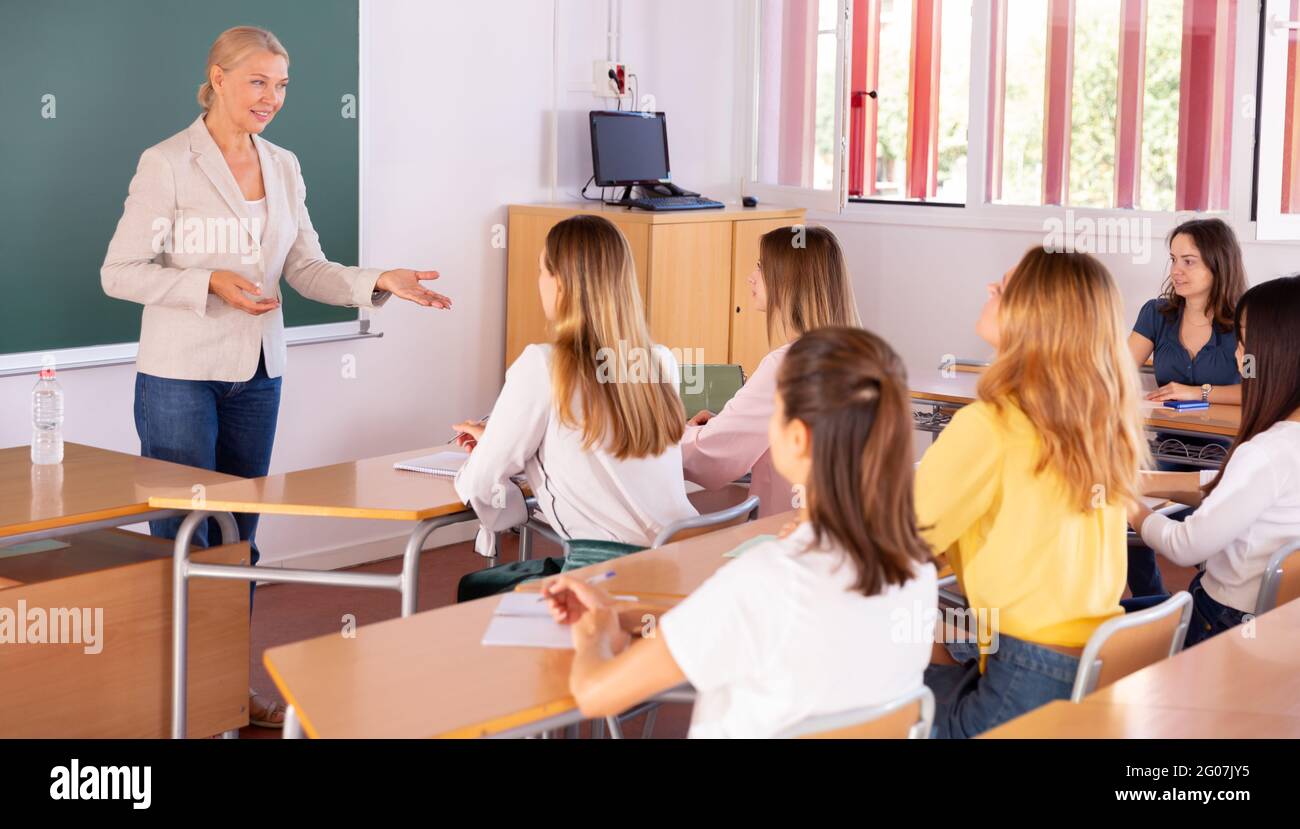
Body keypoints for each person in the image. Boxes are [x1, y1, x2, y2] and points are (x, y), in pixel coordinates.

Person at [100, 26, 451, 726]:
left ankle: (227, 688)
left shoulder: (284, 165)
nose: (272, 98)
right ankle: (177, 698)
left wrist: (376, 278)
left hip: (258, 374)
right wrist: (209, 283)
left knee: (240, 539)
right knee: (185, 537)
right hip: (179, 377)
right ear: (219, 77)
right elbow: (119, 272)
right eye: (258, 81)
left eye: (282, 85)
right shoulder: (167, 162)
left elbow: (306, 268)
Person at [540, 327, 937, 738]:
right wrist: (621, 615)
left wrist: (594, 633)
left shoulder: (767, 580)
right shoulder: (914, 570)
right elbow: (740, 625)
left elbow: (595, 695)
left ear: (798, 437)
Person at [917, 247, 1147, 739]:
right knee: (923, 632)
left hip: (1022, 679)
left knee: (874, 686)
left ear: (1035, 317)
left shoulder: (990, 423)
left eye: (1003, 287)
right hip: (1091, 668)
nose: (989, 290)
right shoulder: (1098, 427)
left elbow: (894, 538)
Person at [1128, 275, 1300, 646]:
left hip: (1220, 621)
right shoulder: (1281, 447)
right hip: (1276, 624)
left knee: (1107, 622)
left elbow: (1184, 546)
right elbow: (1238, 488)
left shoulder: (1264, 453)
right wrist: (1147, 481)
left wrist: (1131, 509)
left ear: (1275, 352)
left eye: (1242, 340)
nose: (1238, 355)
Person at [681, 225, 860, 516]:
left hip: (787, 533)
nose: (751, 277)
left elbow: (712, 456)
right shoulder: (855, 355)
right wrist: (729, 426)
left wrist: (671, 437)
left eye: (761, 268)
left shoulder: (786, 365)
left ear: (789, 281)